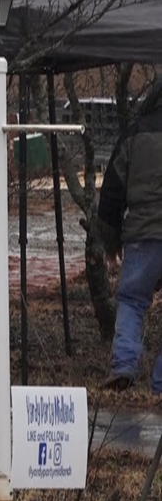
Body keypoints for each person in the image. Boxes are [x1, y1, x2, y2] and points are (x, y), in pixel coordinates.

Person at [97, 81, 162, 393]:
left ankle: (124, 363)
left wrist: (111, 245)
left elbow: (111, 194)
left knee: (133, 300)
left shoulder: (133, 135)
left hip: (142, 234)